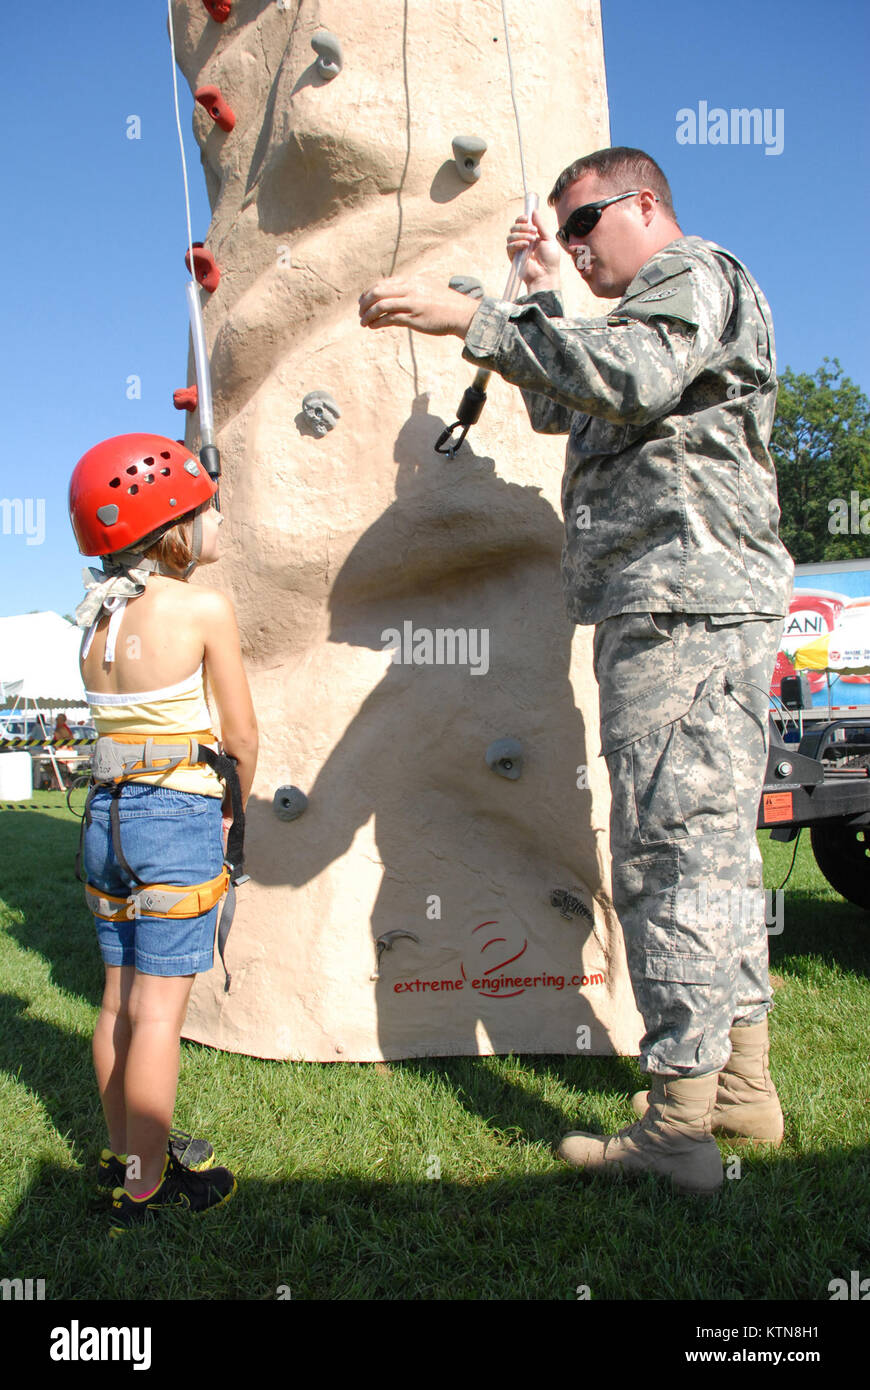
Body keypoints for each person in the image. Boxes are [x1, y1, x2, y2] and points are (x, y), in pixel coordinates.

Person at [359, 146, 794, 1194]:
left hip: (680, 610)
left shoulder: (690, 275)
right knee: (711, 857)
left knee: (668, 860)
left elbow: (631, 375)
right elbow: (572, 404)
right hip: (681, 611)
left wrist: (476, 320)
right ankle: (737, 1090)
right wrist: (537, 296)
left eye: (585, 224)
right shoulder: (649, 315)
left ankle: (678, 1131)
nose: (577, 246)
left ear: (644, 203)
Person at [70, 432, 258, 1229]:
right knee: (159, 1016)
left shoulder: (97, 624)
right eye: (208, 507)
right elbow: (242, 736)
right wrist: (233, 811)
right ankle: (145, 1187)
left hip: (104, 818)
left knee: (116, 1004)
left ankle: (126, 1150)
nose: (218, 519)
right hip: (174, 814)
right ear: (172, 524)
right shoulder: (203, 605)